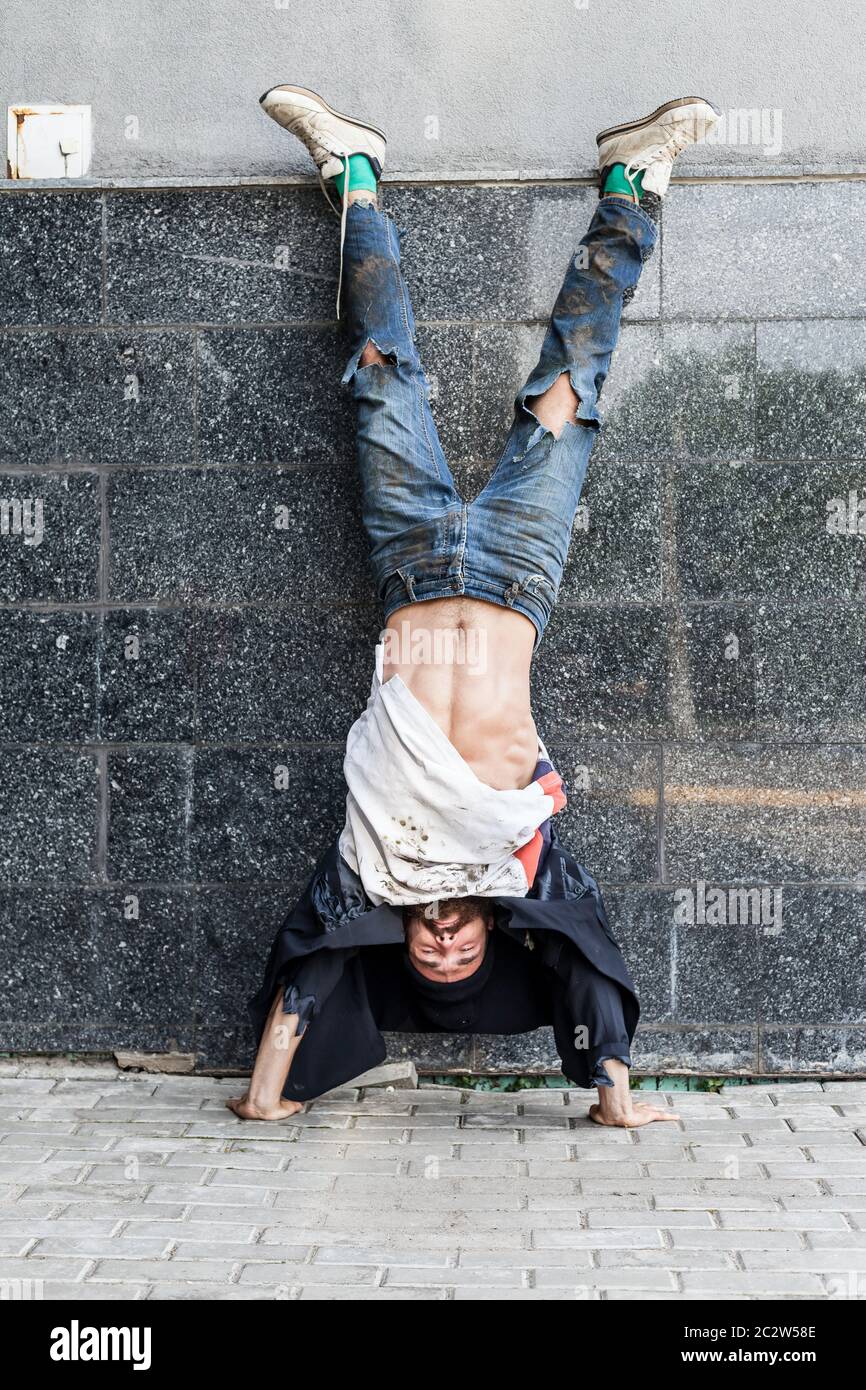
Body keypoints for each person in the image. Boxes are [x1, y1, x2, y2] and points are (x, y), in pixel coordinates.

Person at [228, 87, 720, 1127]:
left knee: (378, 378)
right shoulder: (518, 861)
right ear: (493, 937)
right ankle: (635, 184)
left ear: (401, 939)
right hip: (513, 570)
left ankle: (352, 176)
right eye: (462, 950)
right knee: (572, 377)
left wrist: (266, 1094)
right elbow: (587, 946)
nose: (445, 939)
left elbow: (311, 953)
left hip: (408, 562)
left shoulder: (374, 860)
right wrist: (612, 1098)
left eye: (430, 949)